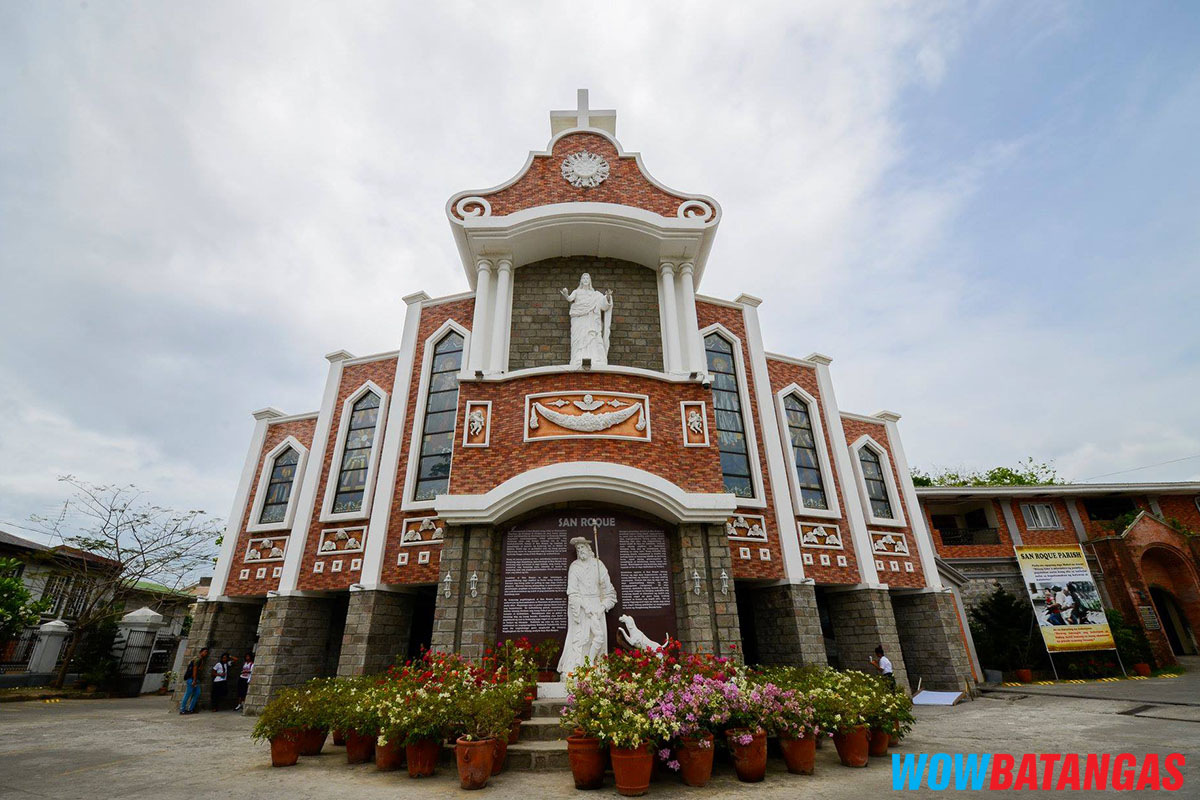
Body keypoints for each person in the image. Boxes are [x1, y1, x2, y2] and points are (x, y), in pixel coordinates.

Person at [557, 536, 617, 675]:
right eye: (578, 549)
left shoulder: (598, 565)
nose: (580, 550)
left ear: (589, 549)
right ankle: (577, 667)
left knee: (598, 637)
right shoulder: (575, 567)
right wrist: (584, 606)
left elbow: (608, 591)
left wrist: (602, 607)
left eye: (582, 547)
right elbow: (572, 591)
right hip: (581, 607)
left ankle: (595, 665)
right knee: (580, 637)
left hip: (597, 605)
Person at [179, 647, 209, 714]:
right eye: (205, 652)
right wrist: (194, 679)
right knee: (188, 694)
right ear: (201, 652)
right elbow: (194, 669)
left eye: (206, 652)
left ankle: (191, 709)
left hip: (196, 679)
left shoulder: (199, 659)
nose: (206, 653)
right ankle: (182, 709)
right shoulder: (197, 659)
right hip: (192, 679)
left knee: (197, 693)